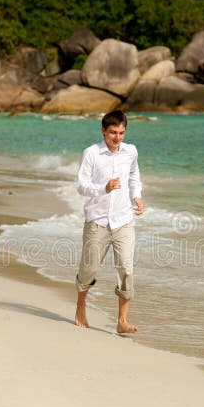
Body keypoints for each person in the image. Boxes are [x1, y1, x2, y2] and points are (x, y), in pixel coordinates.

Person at [74, 110, 144, 333]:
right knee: (89, 268)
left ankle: (122, 321)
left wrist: (137, 196)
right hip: (98, 221)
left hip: (124, 220)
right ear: (103, 131)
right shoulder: (91, 153)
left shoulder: (130, 151)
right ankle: (80, 305)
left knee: (126, 269)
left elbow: (134, 176)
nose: (117, 138)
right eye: (113, 132)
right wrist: (102, 188)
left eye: (121, 133)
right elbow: (81, 186)